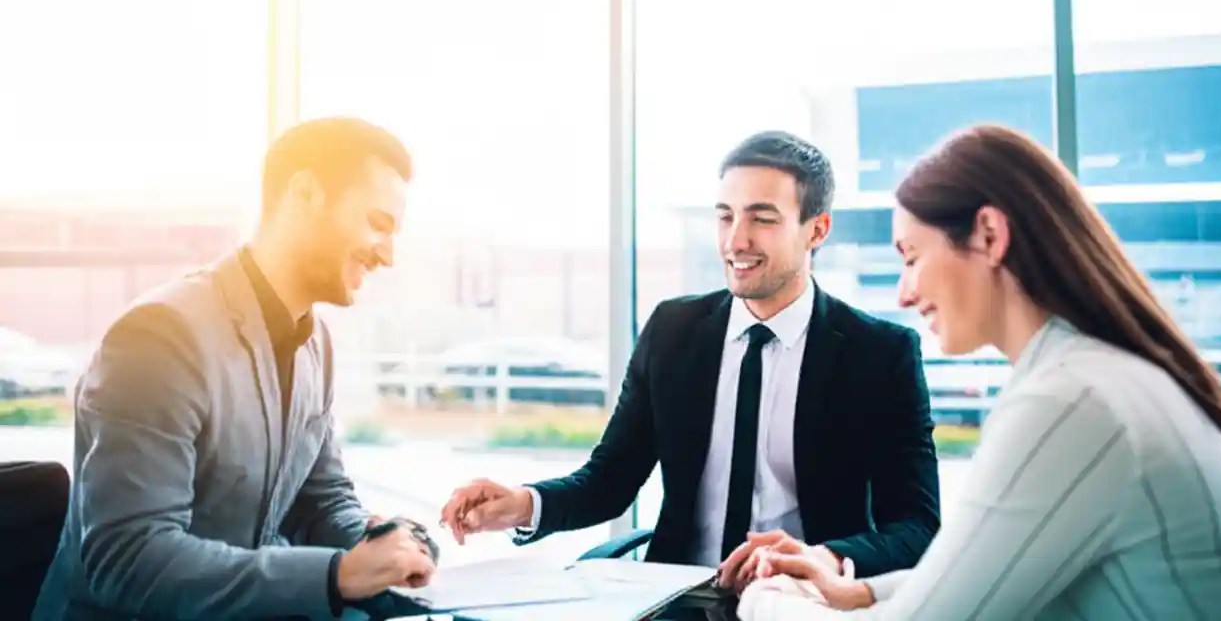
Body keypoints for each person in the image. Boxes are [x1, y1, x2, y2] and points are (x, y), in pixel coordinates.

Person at [739, 125, 1221, 620]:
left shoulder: (1072, 403)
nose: (904, 294)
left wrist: (765, 601)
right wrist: (857, 591)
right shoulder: (1097, 374)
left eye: (911, 257)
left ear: (989, 235)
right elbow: (983, 563)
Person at [442, 131, 940, 588]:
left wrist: (824, 558)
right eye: (725, 216)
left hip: (806, 601)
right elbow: (611, 478)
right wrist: (522, 505)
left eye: (762, 219)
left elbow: (916, 526)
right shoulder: (673, 331)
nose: (735, 240)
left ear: (817, 230)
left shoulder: (878, 353)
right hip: (680, 597)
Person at [34, 118, 437, 620]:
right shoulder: (161, 337)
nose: (388, 255)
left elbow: (322, 498)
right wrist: (338, 575)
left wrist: (380, 543)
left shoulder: (316, 344)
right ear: (305, 195)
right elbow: (128, 558)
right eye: (378, 223)